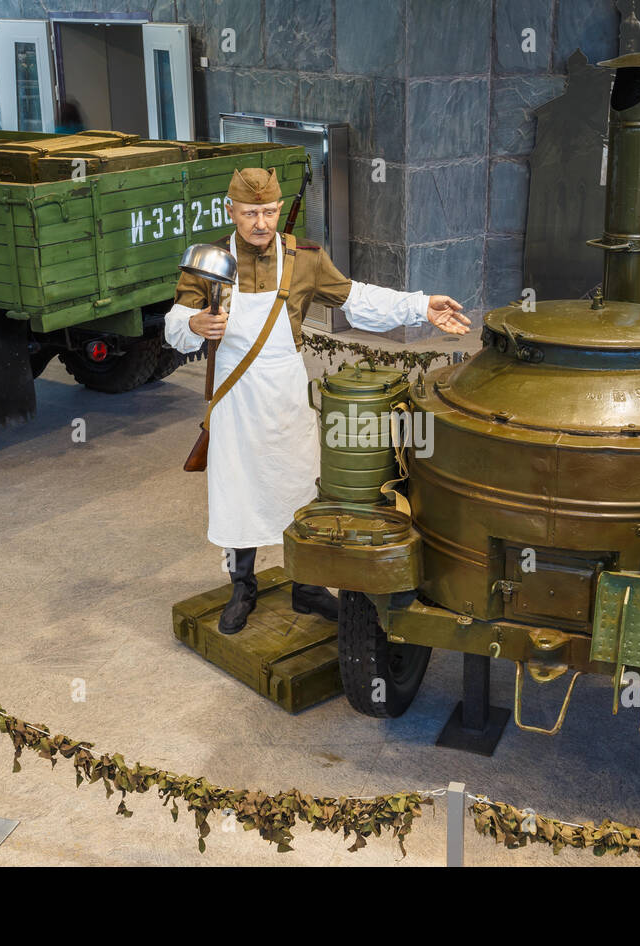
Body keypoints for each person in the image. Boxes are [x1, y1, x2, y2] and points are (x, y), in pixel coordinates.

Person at [164, 166, 471, 634]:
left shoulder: (305, 258)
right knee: (238, 490)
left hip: (286, 392)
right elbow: (176, 321)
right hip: (236, 397)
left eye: (269, 212)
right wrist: (192, 325)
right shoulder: (210, 262)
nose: (261, 223)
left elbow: (356, 298)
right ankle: (242, 587)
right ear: (230, 211)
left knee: (300, 485)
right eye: (250, 214)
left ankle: (307, 587)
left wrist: (419, 305)